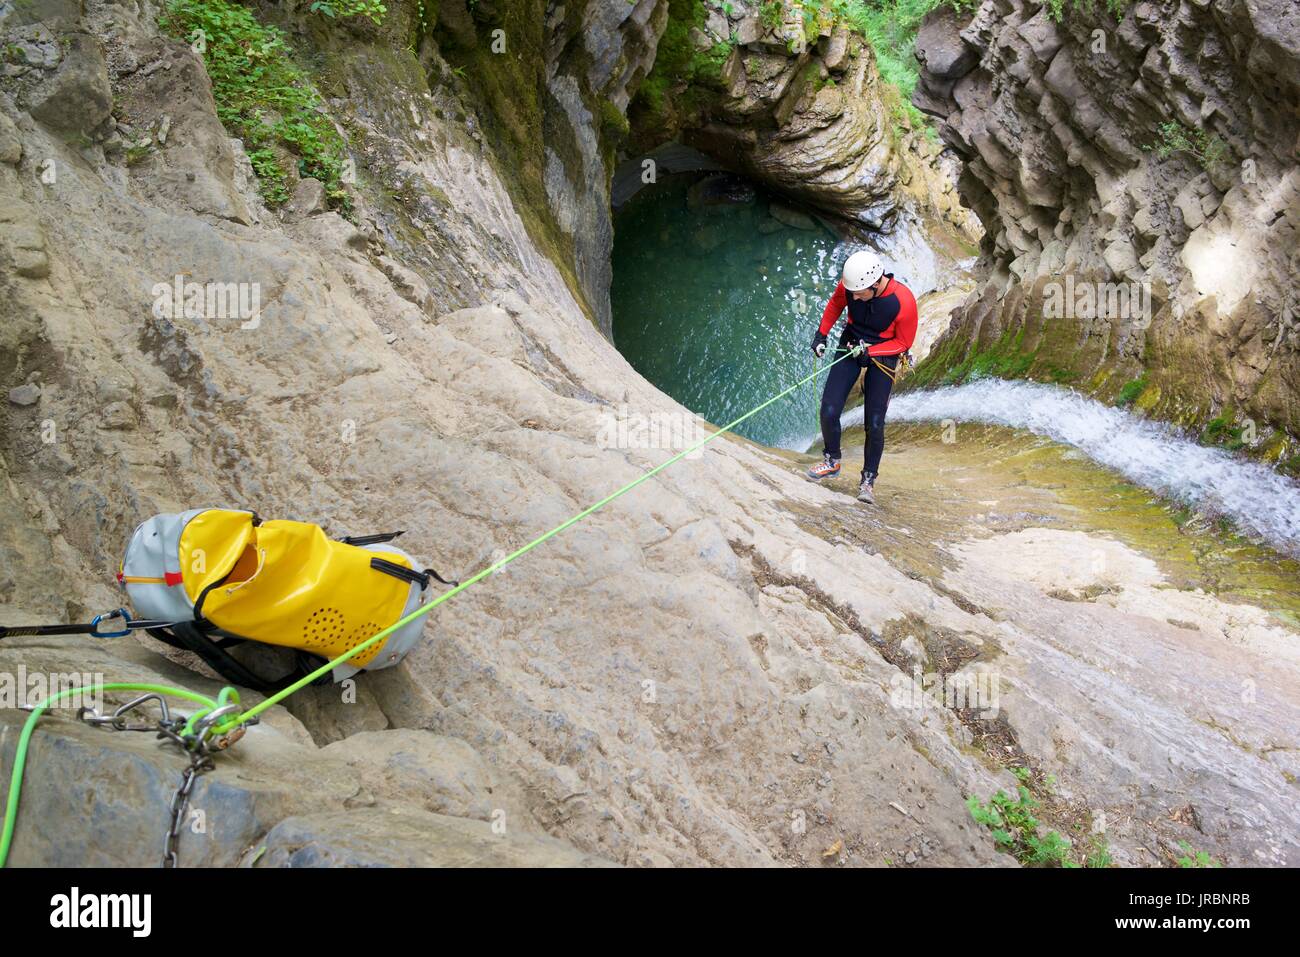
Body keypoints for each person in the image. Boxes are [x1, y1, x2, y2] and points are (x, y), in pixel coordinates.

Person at [806, 249, 917, 504]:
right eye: (852, 292)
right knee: (829, 409)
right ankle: (831, 461)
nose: (853, 297)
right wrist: (821, 334)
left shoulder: (903, 301)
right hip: (852, 341)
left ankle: (868, 481)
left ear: (876, 284)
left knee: (875, 423)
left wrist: (874, 353)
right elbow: (836, 304)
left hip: (884, 351)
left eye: (859, 293)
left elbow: (904, 341)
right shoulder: (851, 285)